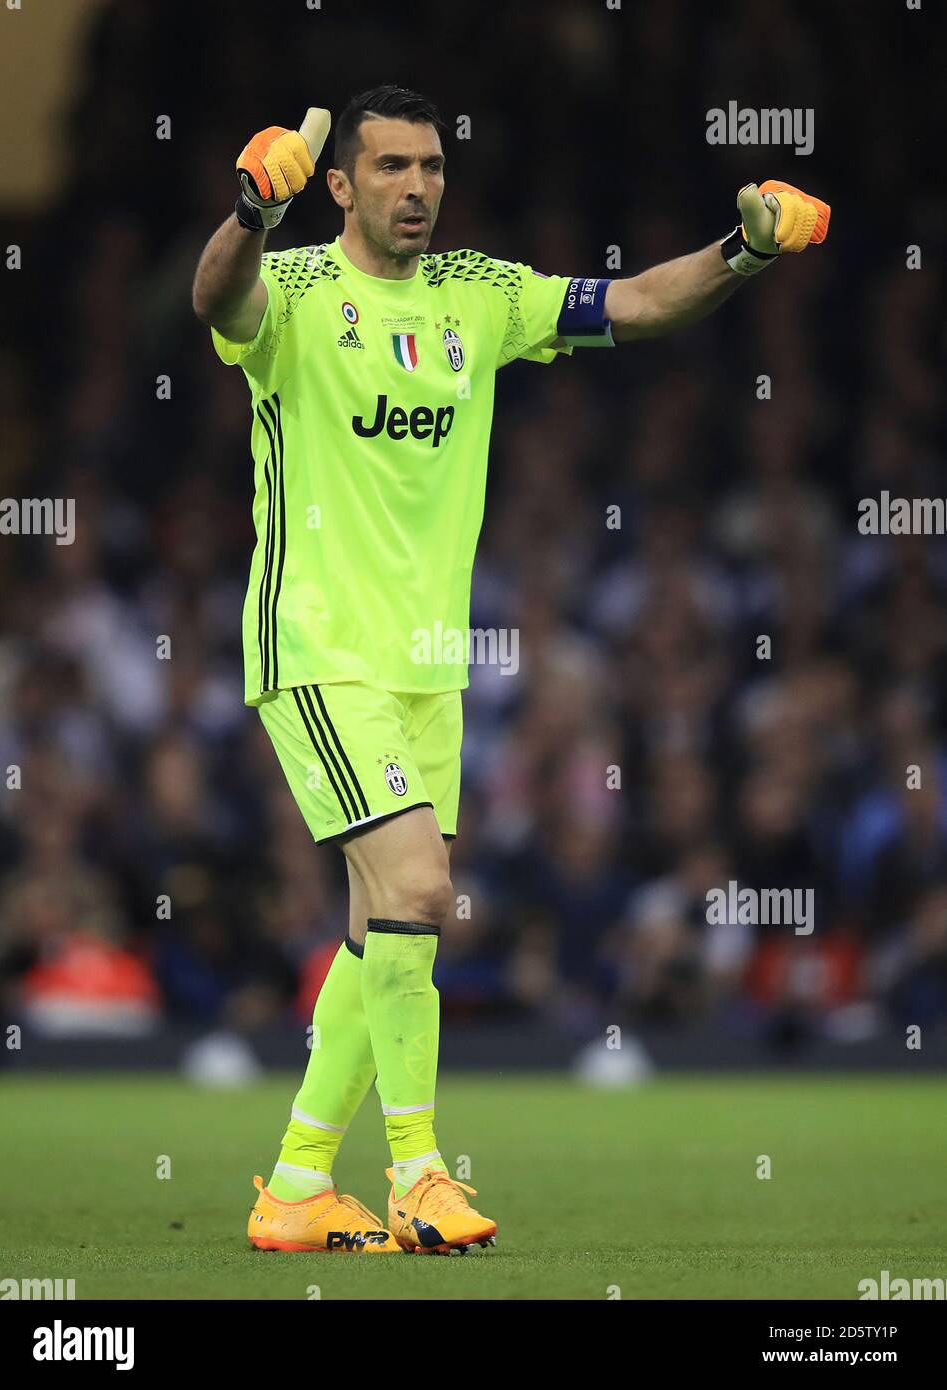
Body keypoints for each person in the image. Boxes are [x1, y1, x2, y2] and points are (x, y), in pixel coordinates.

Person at [191, 83, 829, 1255]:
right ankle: (421, 1173)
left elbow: (635, 302)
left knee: (384, 926)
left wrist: (742, 249)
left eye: (431, 167)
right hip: (319, 645)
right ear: (340, 185)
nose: (417, 187)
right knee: (424, 893)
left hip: (430, 668)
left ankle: (292, 1184)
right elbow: (214, 299)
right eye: (389, 168)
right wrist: (247, 213)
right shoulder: (290, 291)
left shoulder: (480, 298)